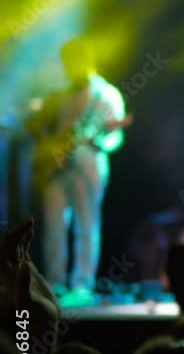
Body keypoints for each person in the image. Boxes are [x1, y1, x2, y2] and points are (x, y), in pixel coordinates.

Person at [26, 38, 129, 302]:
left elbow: (115, 138)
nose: (69, 67)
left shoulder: (107, 95)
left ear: (87, 59)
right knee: (54, 224)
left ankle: (82, 285)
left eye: (73, 61)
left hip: (88, 164)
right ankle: (54, 283)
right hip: (59, 167)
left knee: (86, 223)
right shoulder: (63, 96)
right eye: (66, 62)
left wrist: (98, 140)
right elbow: (54, 131)